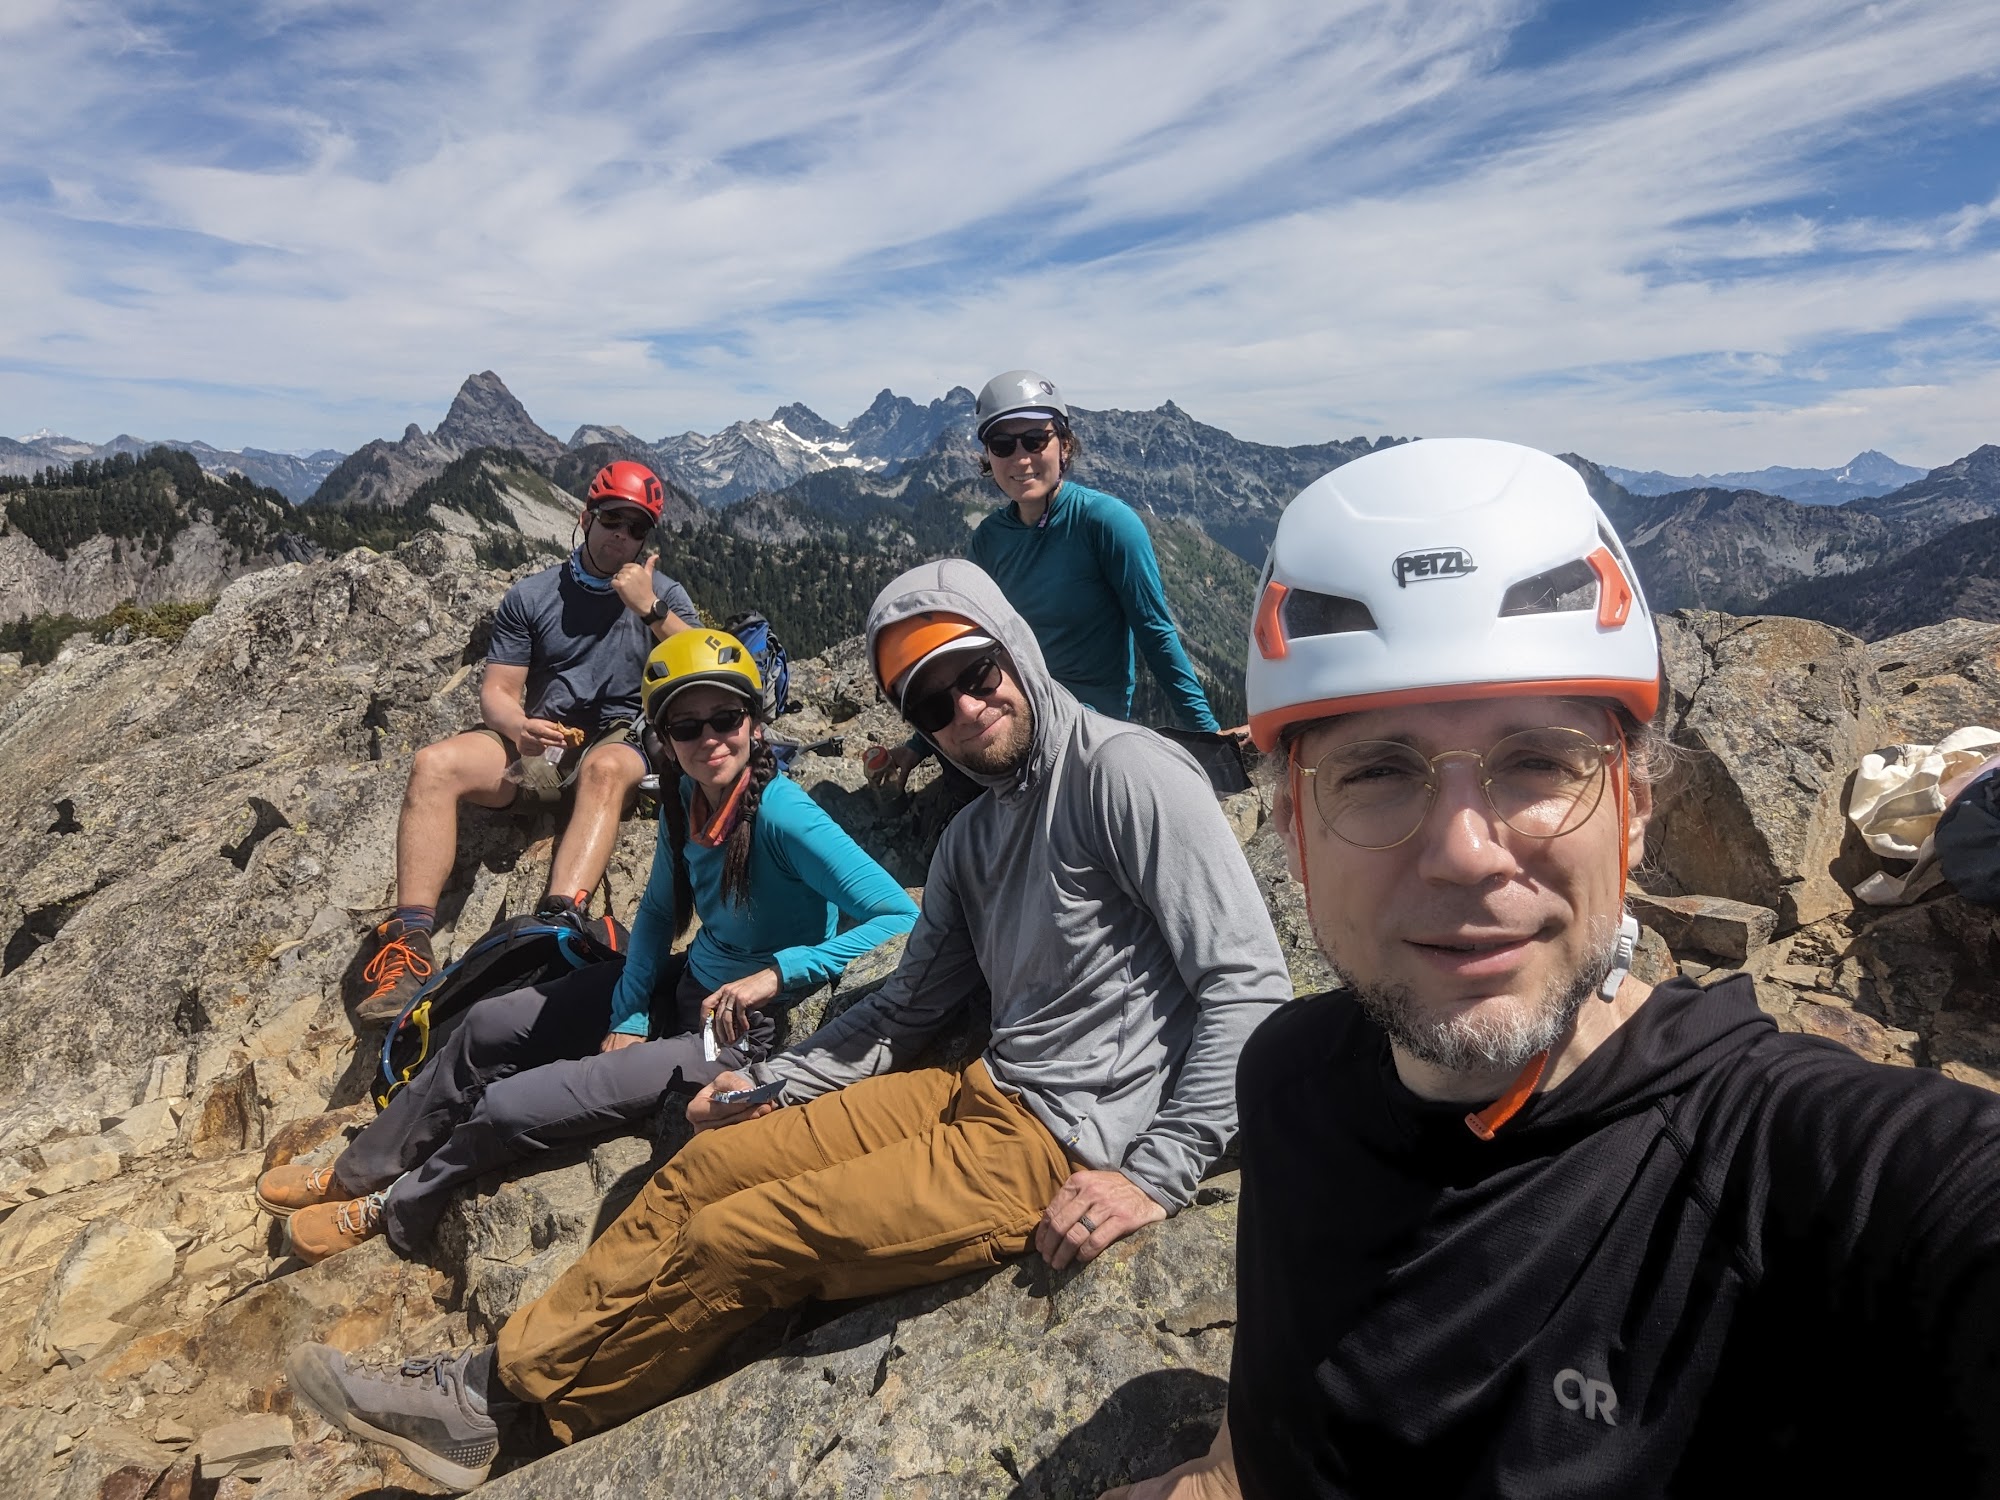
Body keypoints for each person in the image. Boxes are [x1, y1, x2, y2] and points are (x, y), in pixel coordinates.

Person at [1111, 439, 2000, 1499]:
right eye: (1378, 772)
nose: (1464, 853)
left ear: (1632, 812)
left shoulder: (1780, 1168)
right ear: (1292, 831)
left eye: (1536, 761)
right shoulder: (1287, 1078)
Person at [286, 558, 1290, 1493]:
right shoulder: (976, 833)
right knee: (700, 1171)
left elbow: (1245, 986)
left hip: (1060, 1142)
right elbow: (906, 1005)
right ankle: (478, 1380)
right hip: (970, 1090)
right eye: (931, 705)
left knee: (742, 1237)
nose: (965, 708)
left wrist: (1154, 1173)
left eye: (974, 673)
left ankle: (519, 1417)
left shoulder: (1128, 774)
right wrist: (778, 1084)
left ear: (1013, 650)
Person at [261, 629, 919, 1264]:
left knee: (511, 1104)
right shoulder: (687, 794)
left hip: (740, 1031)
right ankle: (355, 1171)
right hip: (687, 983)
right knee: (491, 1023)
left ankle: (395, 1208)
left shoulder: (782, 813)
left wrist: (777, 974)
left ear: (754, 723)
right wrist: (630, 1015)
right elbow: (661, 908)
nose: (709, 739)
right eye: (686, 728)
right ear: (663, 739)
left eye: (726, 717)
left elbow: (896, 915)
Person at [355, 460, 701, 1024]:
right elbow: (498, 691)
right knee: (434, 765)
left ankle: (558, 919)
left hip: (621, 738)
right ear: (586, 517)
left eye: (638, 527)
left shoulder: (663, 595)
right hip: (541, 738)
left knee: (607, 769)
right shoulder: (533, 595)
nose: (623, 535)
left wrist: (651, 609)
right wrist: (519, 729)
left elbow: (702, 660)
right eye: (613, 519)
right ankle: (410, 941)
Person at [867, 370, 1220, 794]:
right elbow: (961, 660)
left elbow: (1156, 636)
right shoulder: (988, 541)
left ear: (1064, 444)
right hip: (1014, 719)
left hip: (1085, 728)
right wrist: (918, 746)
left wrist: (1210, 740)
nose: (1020, 458)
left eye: (1035, 439)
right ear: (988, 456)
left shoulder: (1106, 524)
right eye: (1003, 444)